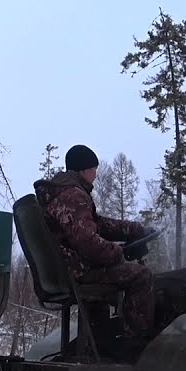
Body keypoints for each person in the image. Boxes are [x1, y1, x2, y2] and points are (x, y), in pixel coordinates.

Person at [33, 144, 156, 343]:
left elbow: (97, 224)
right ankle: (135, 344)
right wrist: (118, 252)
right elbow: (87, 242)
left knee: (113, 275)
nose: (96, 175)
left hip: (66, 269)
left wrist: (136, 229)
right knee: (141, 276)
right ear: (83, 169)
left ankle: (100, 341)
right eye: (94, 169)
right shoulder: (74, 196)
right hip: (78, 271)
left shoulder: (61, 195)